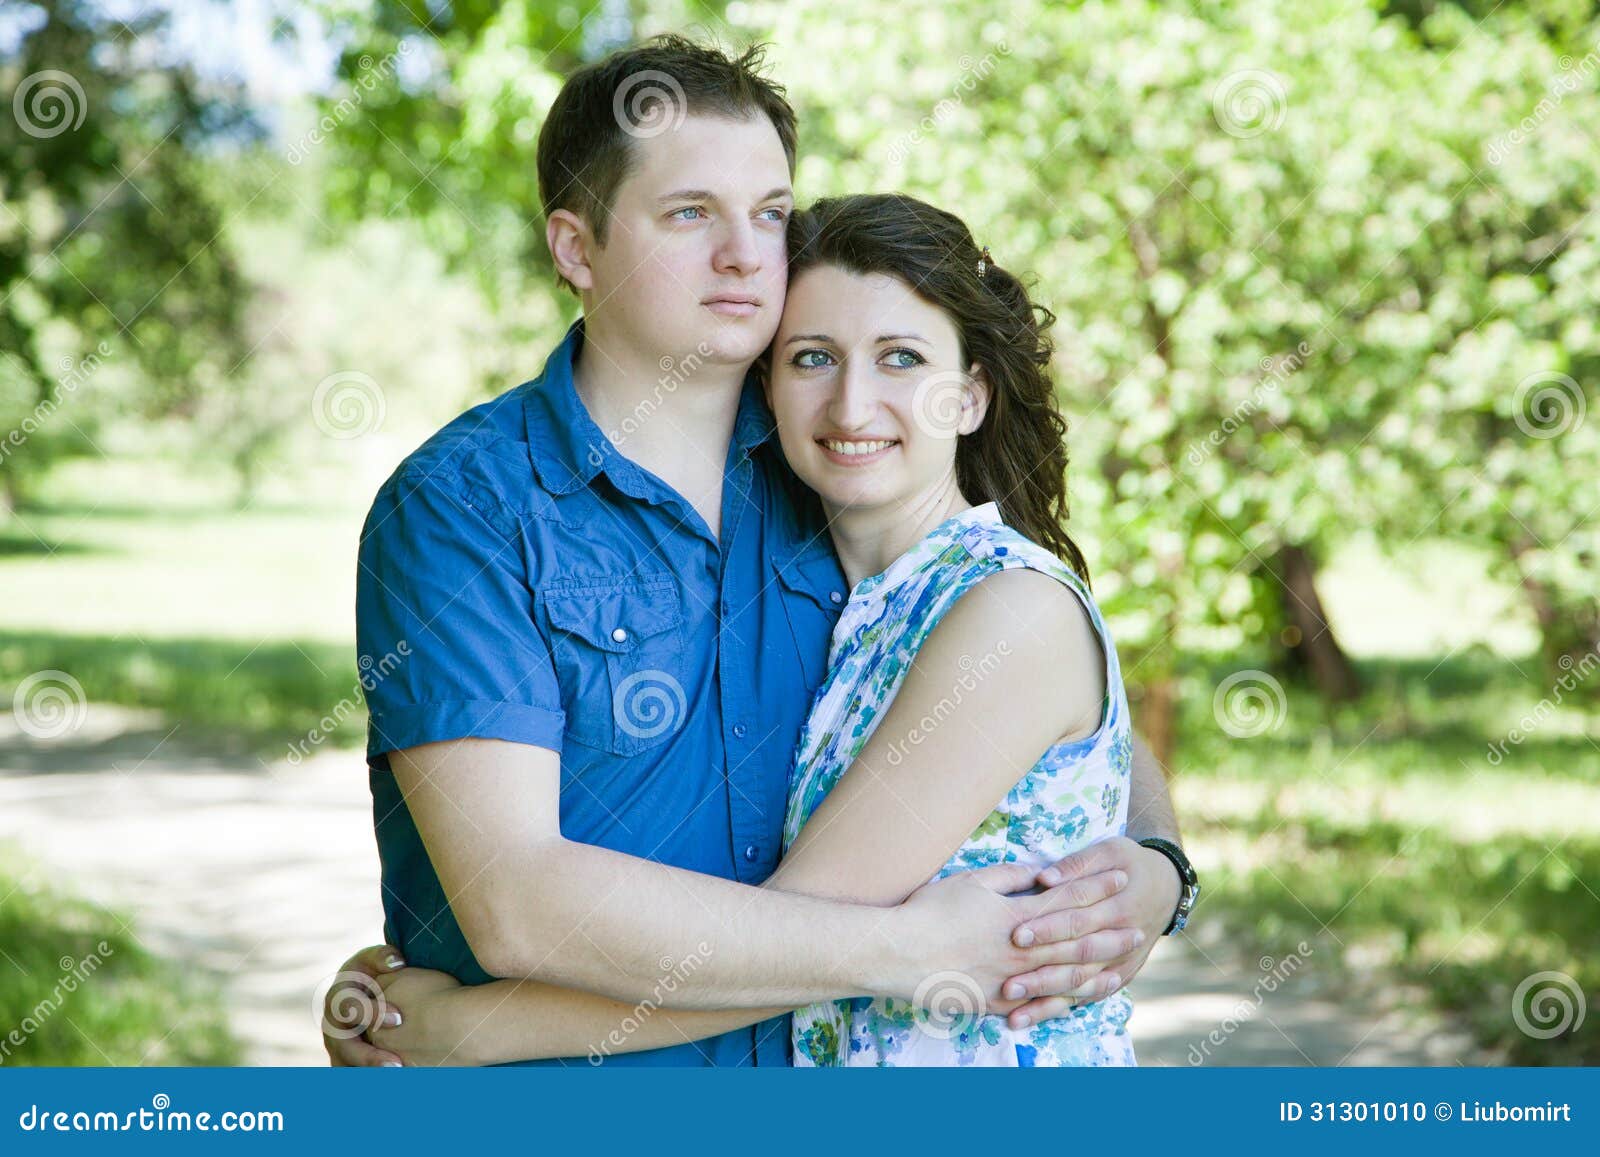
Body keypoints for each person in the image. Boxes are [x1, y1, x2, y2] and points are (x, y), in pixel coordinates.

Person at [323, 36, 1194, 1069]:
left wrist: (1152, 870)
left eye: (771, 215)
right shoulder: (467, 507)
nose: (745, 254)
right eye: (690, 213)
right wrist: (903, 948)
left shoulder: (833, 458)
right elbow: (516, 899)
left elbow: (1054, 705)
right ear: (576, 247)